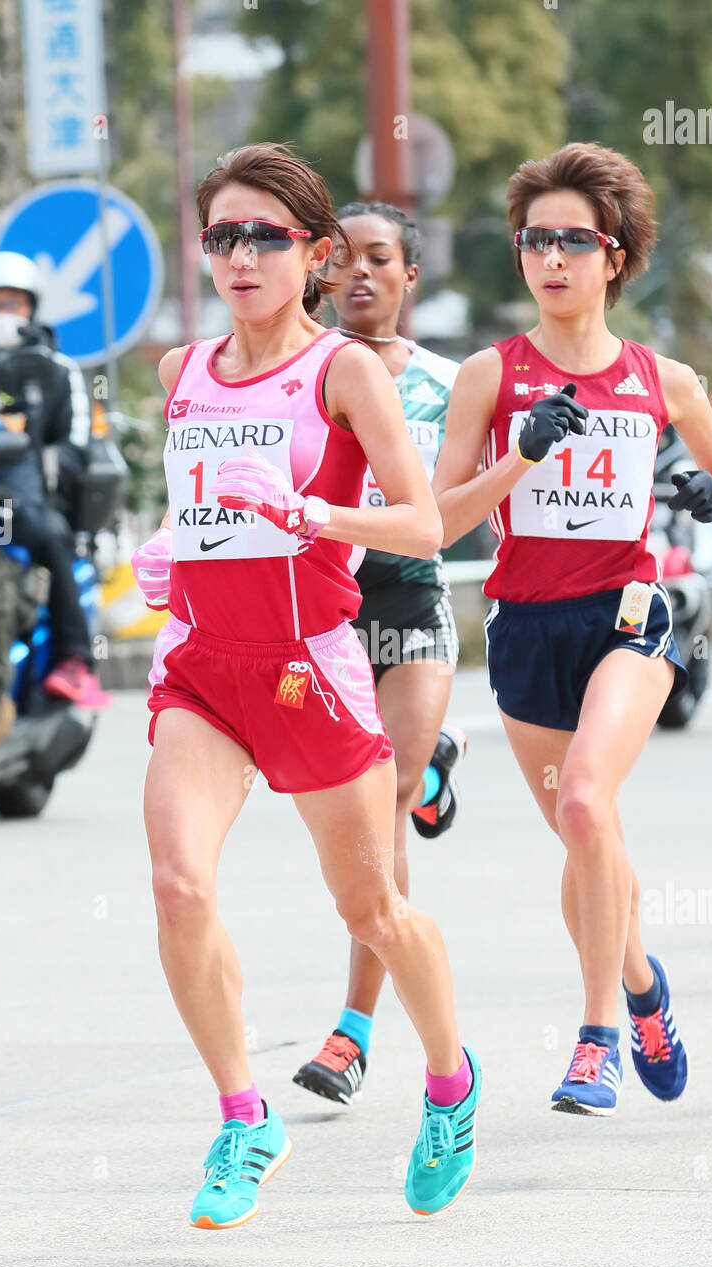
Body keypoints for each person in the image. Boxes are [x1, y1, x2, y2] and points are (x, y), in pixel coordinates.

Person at [131, 144, 480, 1226]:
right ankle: (246, 1118)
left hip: (306, 671)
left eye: (264, 237)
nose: (240, 256)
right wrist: (167, 543)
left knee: (371, 908)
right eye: (221, 236)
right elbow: (198, 500)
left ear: (316, 254)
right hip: (201, 666)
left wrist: (310, 515)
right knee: (179, 886)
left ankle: (449, 1083)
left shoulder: (344, 372)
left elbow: (422, 523)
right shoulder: (179, 372)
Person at [432, 142, 712, 1117]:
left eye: (573, 241)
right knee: (587, 837)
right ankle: (646, 986)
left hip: (626, 615)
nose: (551, 259)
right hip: (526, 627)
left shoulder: (664, 378)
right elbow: (437, 519)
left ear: (614, 257)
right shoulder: (488, 376)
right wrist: (518, 459)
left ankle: (597, 1038)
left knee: (581, 803)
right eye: (535, 241)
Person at [292, 201, 467, 1106]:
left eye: (381, 258)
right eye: (345, 259)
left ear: (409, 276)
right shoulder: (297, 376)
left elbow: (474, 493)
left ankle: (352, 1033)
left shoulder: (447, 382)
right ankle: (434, 762)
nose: (360, 272)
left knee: (385, 802)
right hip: (325, 610)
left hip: (411, 602)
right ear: (319, 272)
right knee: (358, 806)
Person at [0, 251, 107, 707]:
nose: (1, 312)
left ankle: (75, 659)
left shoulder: (57, 369)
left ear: (31, 308)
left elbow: (76, 445)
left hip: (27, 502)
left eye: (12, 302)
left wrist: (32, 466)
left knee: (49, 534)